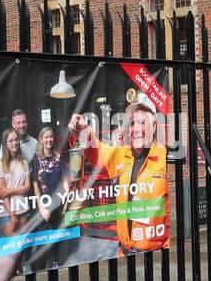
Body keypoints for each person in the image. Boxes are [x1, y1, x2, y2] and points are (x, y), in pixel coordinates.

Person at [67, 99, 169, 255]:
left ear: (154, 126)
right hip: (124, 253)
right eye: (132, 124)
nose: (136, 129)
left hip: (155, 256)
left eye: (142, 122)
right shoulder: (122, 155)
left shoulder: (165, 157)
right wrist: (82, 131)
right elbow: (97, 149)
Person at [0, 127, 32, 235]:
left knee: (23, 247)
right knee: (14, 250)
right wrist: (12, 214)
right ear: (5, 144)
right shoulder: (0, 164)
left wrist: (9, 191)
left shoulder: (24, 163)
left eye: (16, 140)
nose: (14, 143)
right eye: (11, 140)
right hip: (7, 212)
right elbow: (1, 193)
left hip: (23, 209)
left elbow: (27, 187)